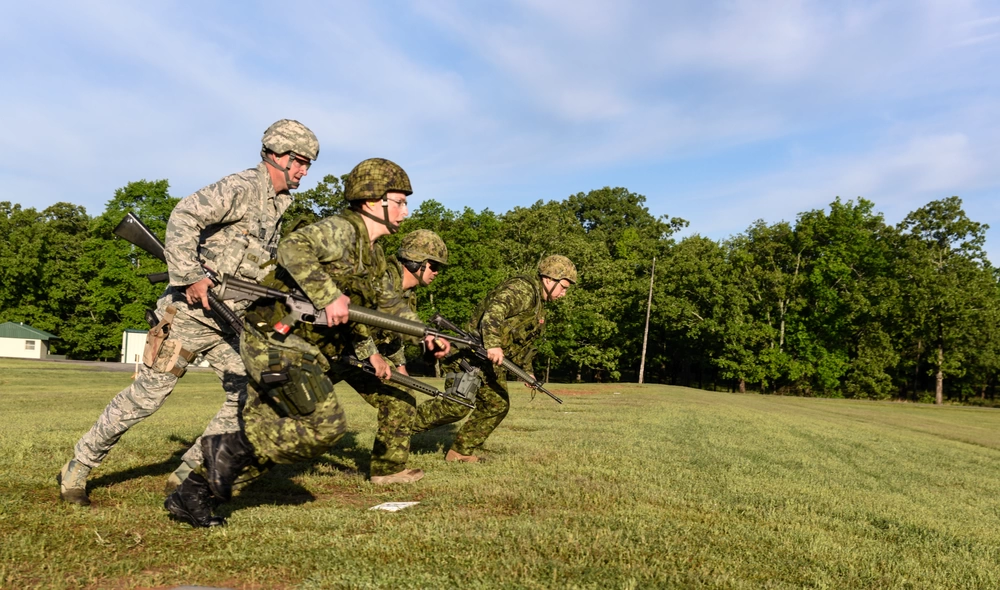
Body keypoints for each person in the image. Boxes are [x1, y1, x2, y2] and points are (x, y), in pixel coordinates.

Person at [163, 158, 449, 527]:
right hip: (277, 337)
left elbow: (388, 305)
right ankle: (223, 450)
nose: (405, 211)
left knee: (277, 433)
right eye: (399, 201)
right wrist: (329, 294)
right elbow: (293, 248)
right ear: (370, 202)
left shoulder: (374, 255)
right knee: (324, 426)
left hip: (302, 347)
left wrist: (426, 332)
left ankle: (191, 496)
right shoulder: (341, 231)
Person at [57, 120, 319, 506]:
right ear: (276, 154)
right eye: (299, 161)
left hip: (228, 323)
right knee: (144, 400)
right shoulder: (242, 188)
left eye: (308, 163)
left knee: (249, 392)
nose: (303, 170)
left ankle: (188, 472)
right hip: (188, 317)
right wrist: (192, 276)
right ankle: (78, 466)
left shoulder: (280, 205)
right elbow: (183, 216)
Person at [410, 255, 577, 462]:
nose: (564, 293)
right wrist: (493, 344)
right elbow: (494, 312)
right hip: (471, 356)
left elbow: (523, 343)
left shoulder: (537, 305)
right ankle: (396, 431)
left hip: (489, 361)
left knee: (496, 405)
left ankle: (459, 453)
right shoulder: (523, 290)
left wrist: (526, 371)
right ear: (549, 279)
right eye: (564, 287)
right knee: (456, 405)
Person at [347, 229, 450, 485]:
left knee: (401, 397)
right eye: (433, 265)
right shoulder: (381, 278)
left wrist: (401, 366)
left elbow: (393, 334)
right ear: (415, 263)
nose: (437, 272)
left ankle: (387, 470)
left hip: (354, 356)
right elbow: (353, 315)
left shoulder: (407, 293)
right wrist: (373, 355)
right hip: (333, 350)